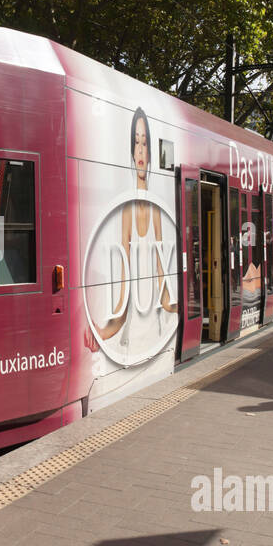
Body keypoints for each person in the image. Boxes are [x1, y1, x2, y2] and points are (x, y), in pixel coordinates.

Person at [93, 107, 177, 359]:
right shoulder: (127, 211)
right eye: (136, 143)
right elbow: (124, 288)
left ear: (151, 153)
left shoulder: (157, 211)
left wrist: (180, 307)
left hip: (157, 333)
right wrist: (102, 331)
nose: (140, 150)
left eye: (145, 144)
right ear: (132, 151)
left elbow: (162, 286)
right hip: (133, 339)